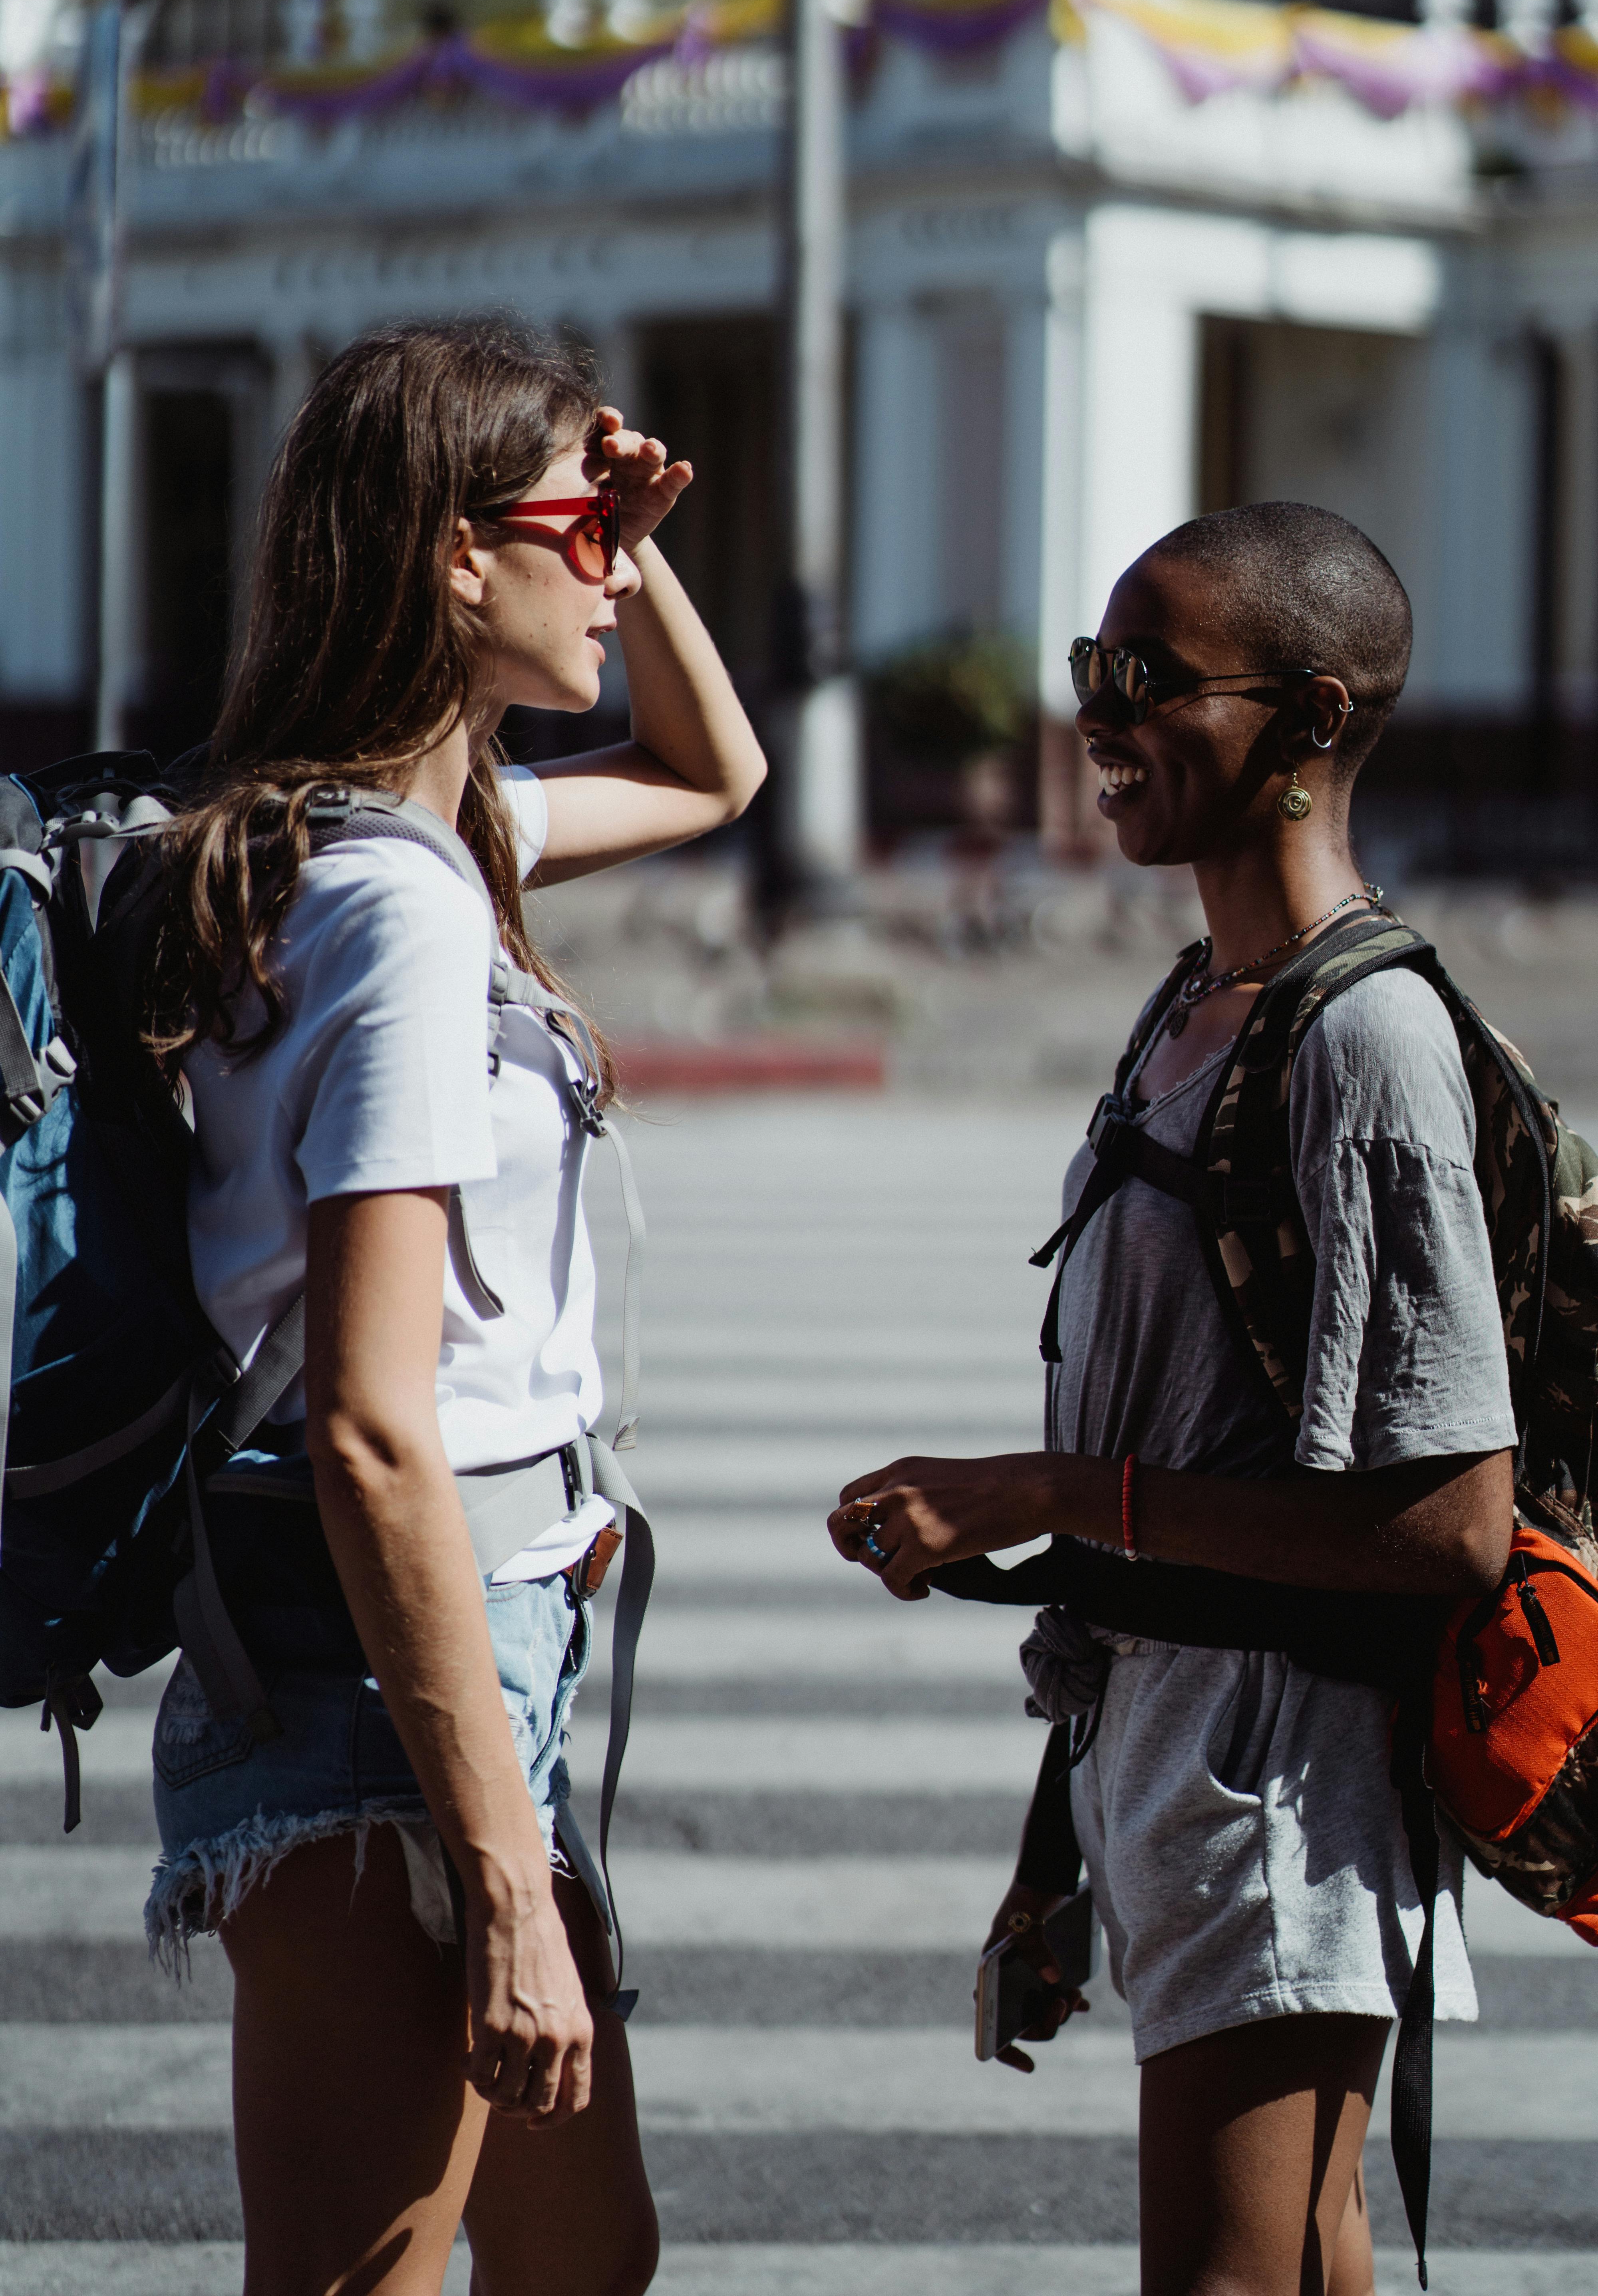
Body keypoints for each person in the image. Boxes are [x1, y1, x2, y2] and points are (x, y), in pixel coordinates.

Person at [829, 501, 1517, 2296]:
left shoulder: (1361, 1041)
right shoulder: (1194, 1004)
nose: (1100, 718)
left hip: (1285, 1786)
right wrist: (1055, 1846)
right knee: (1299, 2261)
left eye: (1149, 678)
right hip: (1178, 1757)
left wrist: (1037, 1492)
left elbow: (1449, 1525)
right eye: (1091, 672)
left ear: (1303, 717)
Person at [141, 318, 765, 2296]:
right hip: (370, 1674)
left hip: (472, 1644)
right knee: (361, 2276)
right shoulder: (396, 907)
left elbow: (713, 771)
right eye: (579, 531)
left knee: (587, 2249)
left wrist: (635, 537)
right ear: (444, 552)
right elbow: (370, 1418)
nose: (609, 569)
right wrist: (501, 1875)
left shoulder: (398, 841)